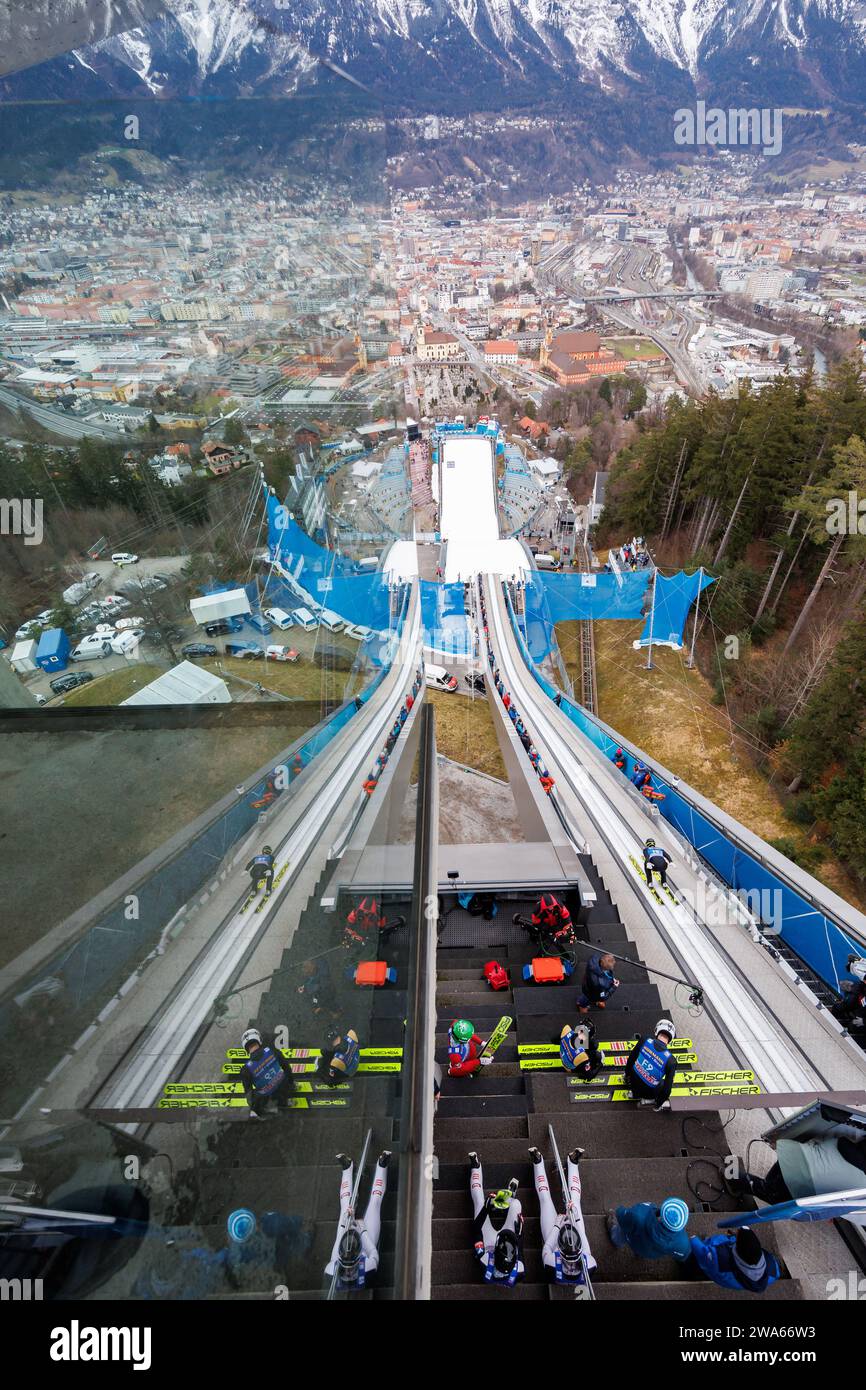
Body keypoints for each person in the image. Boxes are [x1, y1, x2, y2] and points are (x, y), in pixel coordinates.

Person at [731, 1133, 866, 1204]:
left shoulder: (843, 1140)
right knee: (774, 1197)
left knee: (779, 1180)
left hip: (791, 1154)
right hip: (801, 1178)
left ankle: (769, 1184)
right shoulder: (862, 1185)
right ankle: (732, 1177)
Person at [527, 1145, 596, 1284]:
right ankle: (573, 1163)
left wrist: (557, 1226)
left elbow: (546, 1248)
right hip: (574, 1236)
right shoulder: (590, 1263)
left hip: (553, 1241)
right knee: (575, 1203)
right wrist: (574, 1216)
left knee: (545, 1201)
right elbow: (584, 1242)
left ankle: (538, 1163)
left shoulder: (551, 1262)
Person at [324, 1150, 390, 1289]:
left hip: (349, 1235)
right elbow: (373, 1253)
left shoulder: (331, 1269)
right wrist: (362, 1230)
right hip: (367, 1242)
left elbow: (338, 1241)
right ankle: (382, 1166)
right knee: (375, 1203)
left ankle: (347, 1170)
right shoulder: (368, 1267)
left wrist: (346, 1220)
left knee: (345, 1208)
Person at [468, 1153, 525, 1285]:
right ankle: (509, 1198)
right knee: (517, 1205)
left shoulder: (484, 1260)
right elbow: (520, 1250)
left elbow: (476, 1230)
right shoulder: (520, 1271)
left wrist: (486, 1209)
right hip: (508, 1238)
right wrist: (520, 1234)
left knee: (479, 1202)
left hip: (488, 1241)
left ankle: (475, 1168)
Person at [690, 1227, 781, 1294]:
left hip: (716, 1271)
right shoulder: (773, 1270)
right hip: (734, 1280)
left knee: (711, 1244)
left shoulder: (718, 1257)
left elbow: (701, 1252)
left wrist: (693, 1238)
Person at [606, 1196, 691, 1262]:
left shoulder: (638, 1215)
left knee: (620, 1234)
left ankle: (615, 1240)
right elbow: (683, 1255)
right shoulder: (683, 1243)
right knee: (643, 1250)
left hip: (632, 1238)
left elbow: (622, 1216)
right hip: (650, 1253)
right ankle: (639, 1254)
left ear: (661, 1216)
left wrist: (619, 1211)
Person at [238, 1027, 295, 1117]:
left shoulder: (245, 1069)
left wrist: (257, 1108)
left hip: (268, 1103)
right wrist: (291, 1085)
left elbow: (249, 1096)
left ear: (245, 1047)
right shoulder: (272, 1051)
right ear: (259, 1040)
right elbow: (287, 1068)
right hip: (285, 1093)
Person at [624, 1017, 678, 1111]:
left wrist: (627, 1076)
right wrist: (658, 1105)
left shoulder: (645, 1039)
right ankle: (650, 1101)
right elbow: (667, 1091)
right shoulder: (671, 1061)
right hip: (648, 1093)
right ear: (670, 1039)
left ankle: (634, 1093)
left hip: (632, 1082)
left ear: (657, 1031)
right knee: (663, 1083)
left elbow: (631, 1058)